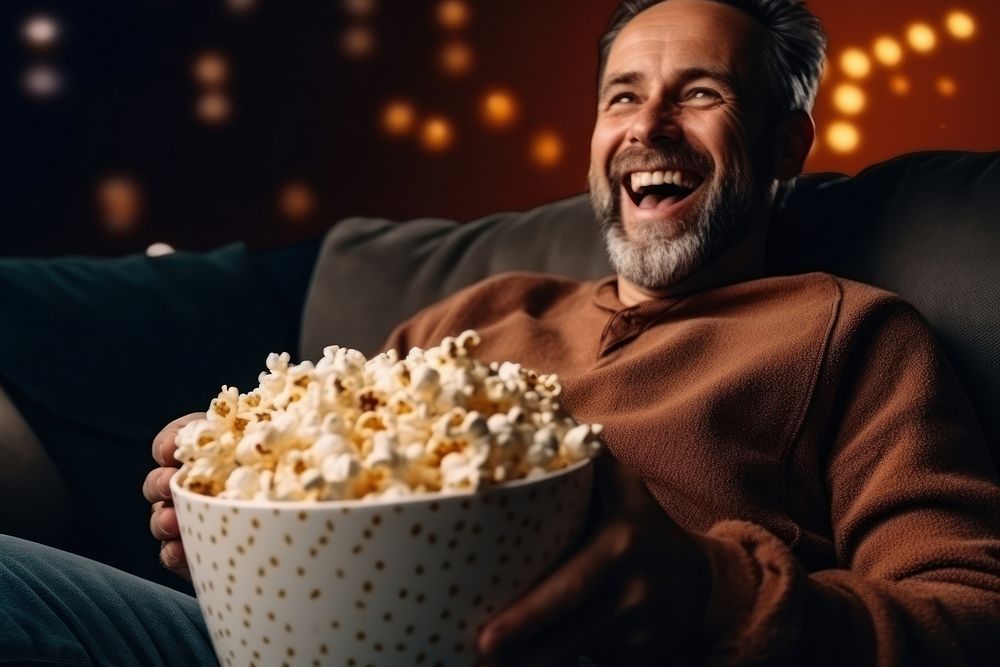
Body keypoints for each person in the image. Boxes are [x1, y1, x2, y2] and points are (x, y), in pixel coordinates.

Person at [4, 0, 999, 665]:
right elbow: (339, 492)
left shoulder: (853, 333)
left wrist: (712, 593)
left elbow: (971, 616)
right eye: (622, 96)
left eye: (700, 93)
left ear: (787, 144)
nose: (648, 125)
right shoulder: (471, 317)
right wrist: (244, 519)